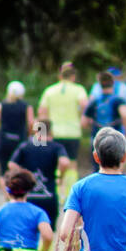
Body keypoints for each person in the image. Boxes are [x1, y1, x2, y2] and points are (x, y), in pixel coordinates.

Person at [8, 122, 72, 225]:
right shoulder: (56, 147)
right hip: (49, 196)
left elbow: (12, 164)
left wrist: (24, 176)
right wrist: (60, 176)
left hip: (29, 197)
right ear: (50, 131)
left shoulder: (25, 146)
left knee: (29, 229)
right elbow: (64, 162)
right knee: (48, 231)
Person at [38, 61, 88, 191]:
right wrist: (82, 117)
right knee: (72, 163)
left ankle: (57, 191)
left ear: (59, 76)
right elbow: (84, 105)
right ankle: (70, 193)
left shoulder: (49, 90)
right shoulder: (79, 90)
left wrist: (41, 135)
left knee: (55, 163)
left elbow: (42, 113)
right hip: (73, 132)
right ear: (73, 77)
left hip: (54, 133)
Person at [0, 80, 34, 186]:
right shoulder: (27, 106)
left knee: (3, 170)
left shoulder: (1, 105)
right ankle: (19, 194)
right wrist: (29, 135)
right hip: (20, 140)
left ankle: (7, 197)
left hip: (4, 141)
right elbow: (32, 123)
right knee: (20, 169)